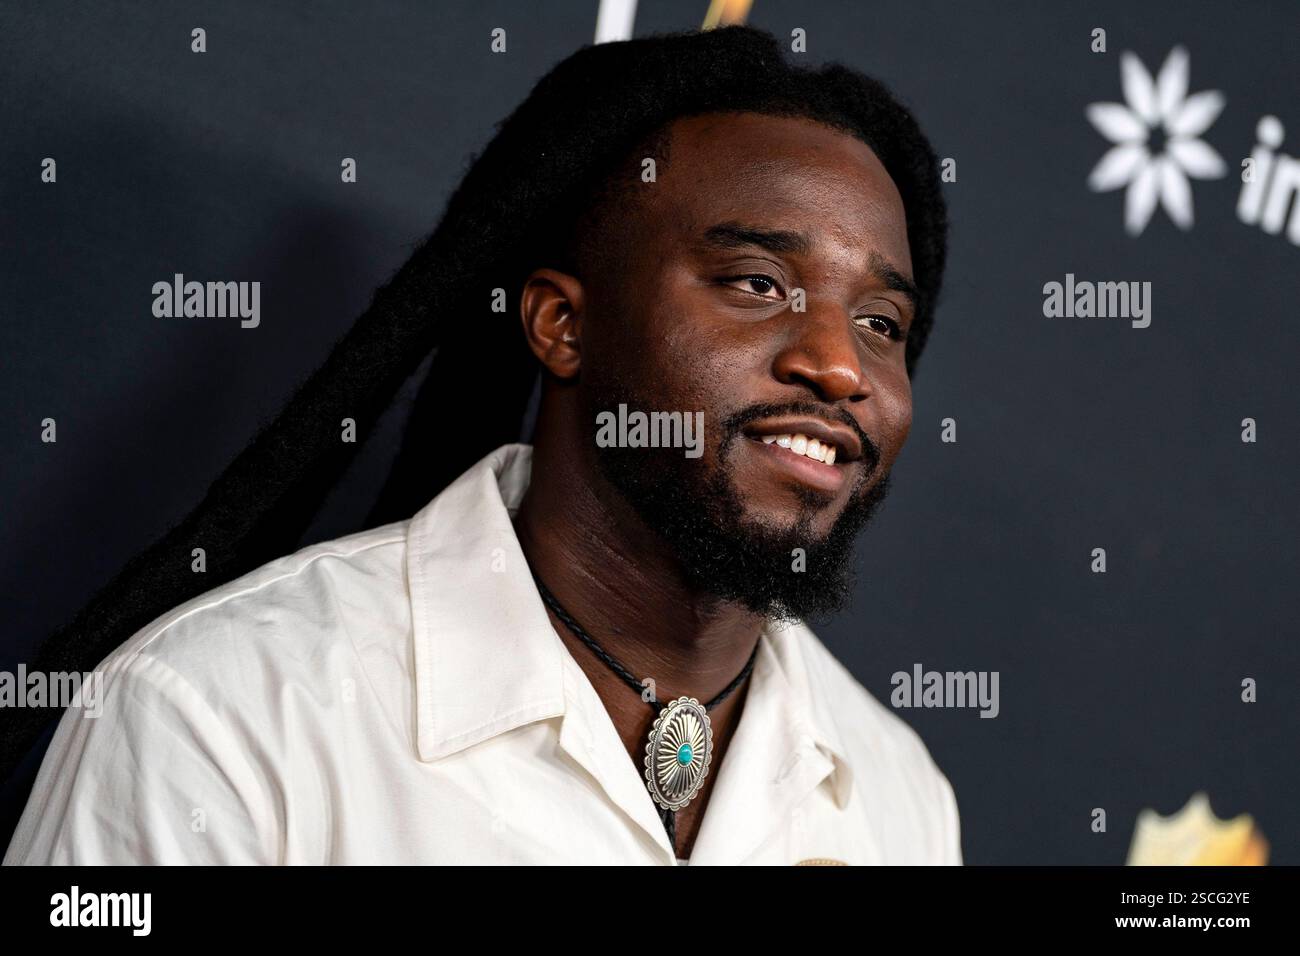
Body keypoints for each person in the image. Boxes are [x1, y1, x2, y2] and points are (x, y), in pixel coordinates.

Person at [3, 24, 959, 865]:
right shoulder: (225, 713)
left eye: (882, 321)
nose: (840, 366)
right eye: (755, 283)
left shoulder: (895, 791)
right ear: (559, 324)